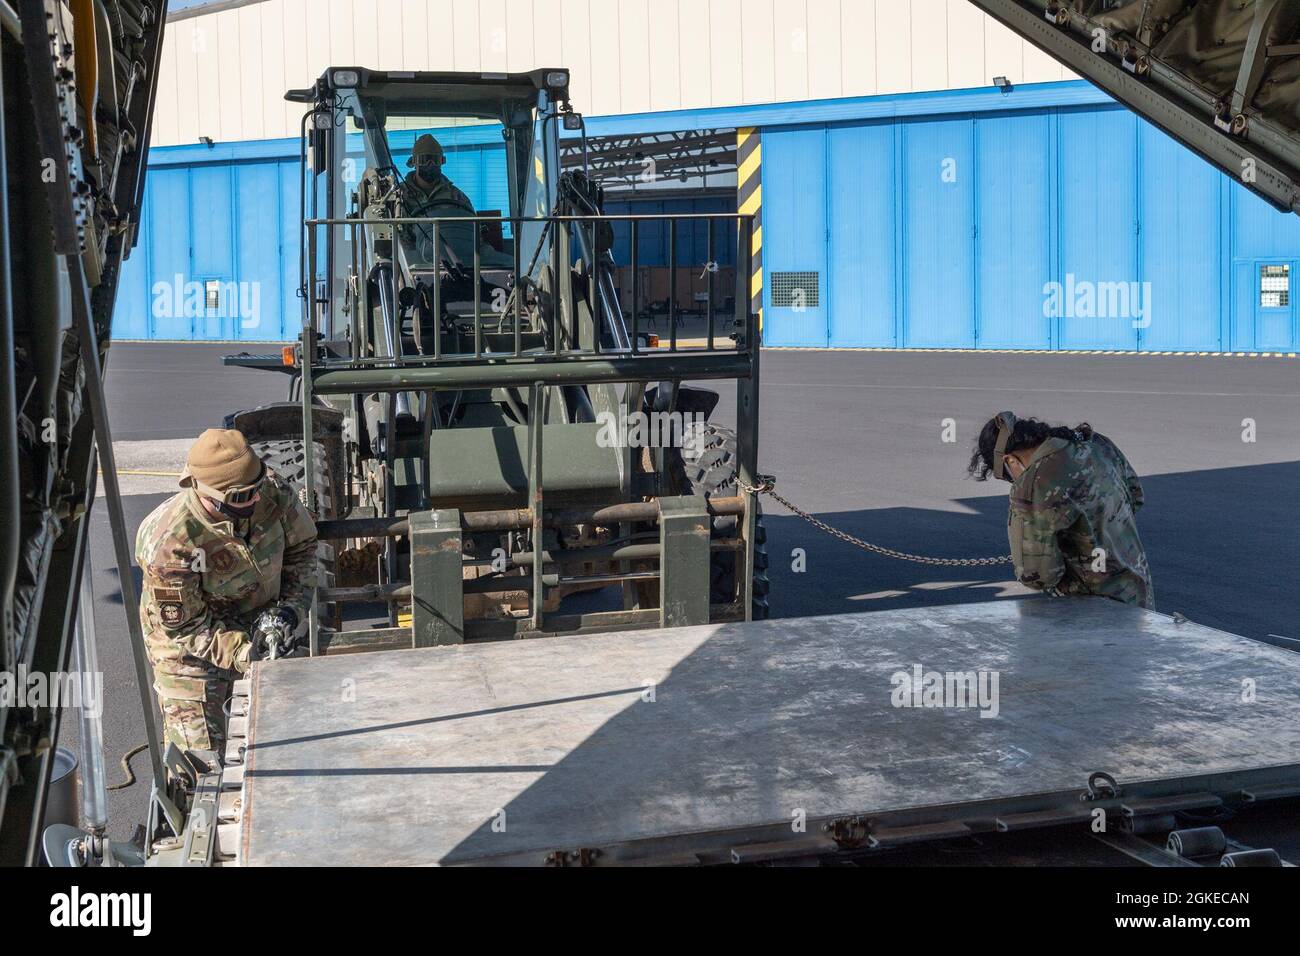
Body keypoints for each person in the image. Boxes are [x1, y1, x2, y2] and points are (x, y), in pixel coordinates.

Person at [135, 429, 318, 756]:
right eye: (242, 497)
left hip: (255, 623)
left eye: (258, 487)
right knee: (200, 768)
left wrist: (290, 610)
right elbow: (187, 627)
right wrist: (246, 654)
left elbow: (302, 552)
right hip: (189, 655)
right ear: (206, 493)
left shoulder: (270, 493)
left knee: (282, 743)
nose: (257, 500)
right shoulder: (171, 543)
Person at [969, 412, 1154, 609]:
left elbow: (1038, 575)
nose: (1014, 482)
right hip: (1138, 592)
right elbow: (1135, 497)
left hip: (1091, 608)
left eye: (1008, 477)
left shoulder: (1034, 482)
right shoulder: (1096, 443)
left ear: (1010, 461)